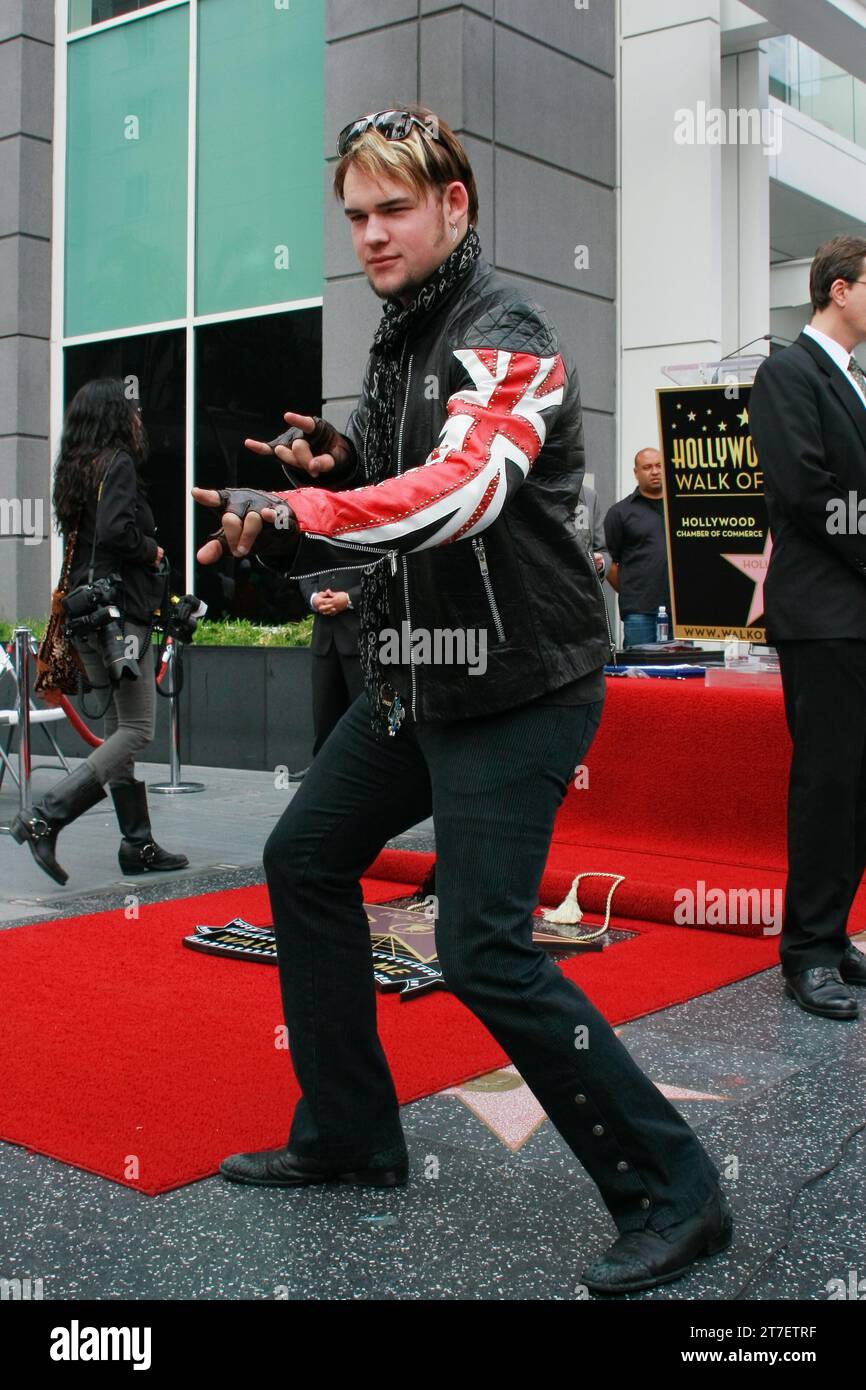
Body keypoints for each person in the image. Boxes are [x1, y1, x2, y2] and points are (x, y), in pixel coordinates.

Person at [192, 107, 730, 1295]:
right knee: (305, 857)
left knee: (485, 947)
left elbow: (468, 489)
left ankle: (678, 1190)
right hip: (419, 677)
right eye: (355, 216)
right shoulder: (402, 338)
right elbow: (396, 495)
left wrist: (310, 511)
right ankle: (348, 1135)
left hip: (520, 685)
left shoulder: (509, 330)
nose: (371, 234)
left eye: (393, 209)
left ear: (455, 206)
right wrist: (333, 478)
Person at [749, 234, 866, 1022]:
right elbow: (809, 491)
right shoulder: (787, 372)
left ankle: (833, 931)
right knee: (828, 783)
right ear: (840, 289)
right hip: (825, 614)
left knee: (857, 785)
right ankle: (807, 952)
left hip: (856, 613)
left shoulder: (855, 382)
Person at [11, 378, 188, 885]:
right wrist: (151, 549)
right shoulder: (119, 463)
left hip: (86, 616)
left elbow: (87, 538)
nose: (138, 417)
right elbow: (116, 533)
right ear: (116, 416)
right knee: (137, 729)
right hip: (121, 616)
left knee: (117, 731)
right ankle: (48, 814)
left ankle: (138, 845)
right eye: (130, 409)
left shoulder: (74, 468)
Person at [604, 448, 671, 647]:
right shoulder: (620, 513)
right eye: (647, 467)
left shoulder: (682, 509)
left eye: (659, 466)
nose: (655, 471)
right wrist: (630, 590)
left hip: (681, 615)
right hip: (639, 613)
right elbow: (608, 561)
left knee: (683, 672)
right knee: (639, 673)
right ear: (636, 472)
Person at [298, 568, 364, 756]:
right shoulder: (317, 537)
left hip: (363, 636)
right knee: (323, 712)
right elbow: (306, 569)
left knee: (364, 716)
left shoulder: (374, 537)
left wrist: (350, 598)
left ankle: (366, 775)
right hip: (324, 637)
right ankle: (321, 769)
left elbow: (389, 574)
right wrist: (314, 598)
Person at [576, 479, 611, 578]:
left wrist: (600, 565)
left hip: (583, 586)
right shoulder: (537, 492)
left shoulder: (589, 496)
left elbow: (603, 551)